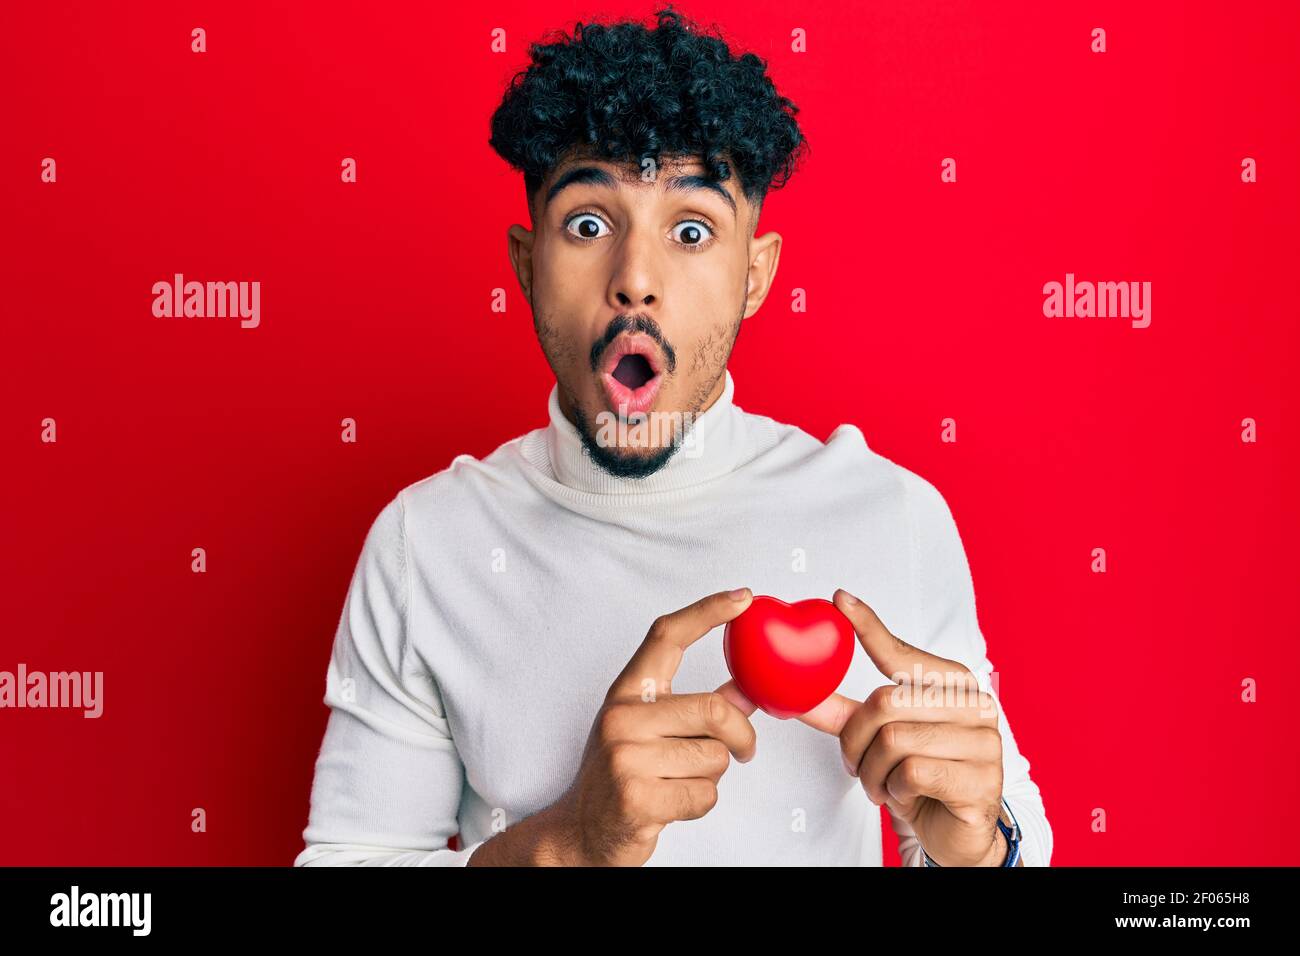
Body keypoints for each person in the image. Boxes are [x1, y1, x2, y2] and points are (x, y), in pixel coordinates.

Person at [293, 5, 1051, 867]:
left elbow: (997, 828)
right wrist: (568, 844)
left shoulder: (892, 515)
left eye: (691, 231)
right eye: (587, 224)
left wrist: (981, 849)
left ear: (754, 276)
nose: (636, 281)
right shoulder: (424, 545)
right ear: (526, 262)